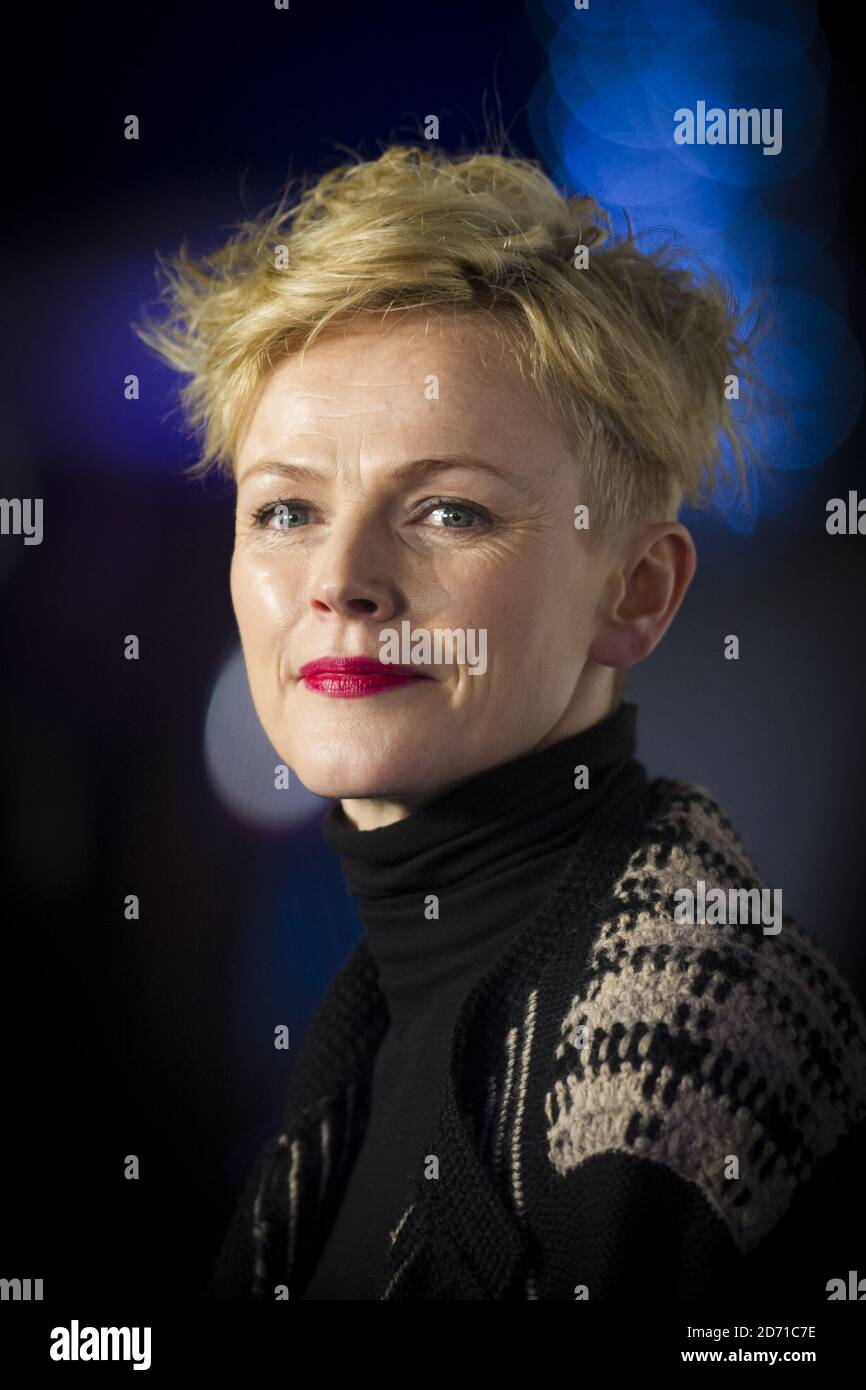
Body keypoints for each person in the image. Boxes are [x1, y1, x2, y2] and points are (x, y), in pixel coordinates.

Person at [134, 142, 866, 1300]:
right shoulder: (362, 1031)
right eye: (284, 508)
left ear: (634, 592)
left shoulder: (705, 1040)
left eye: (446, 511)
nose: (340, 580)